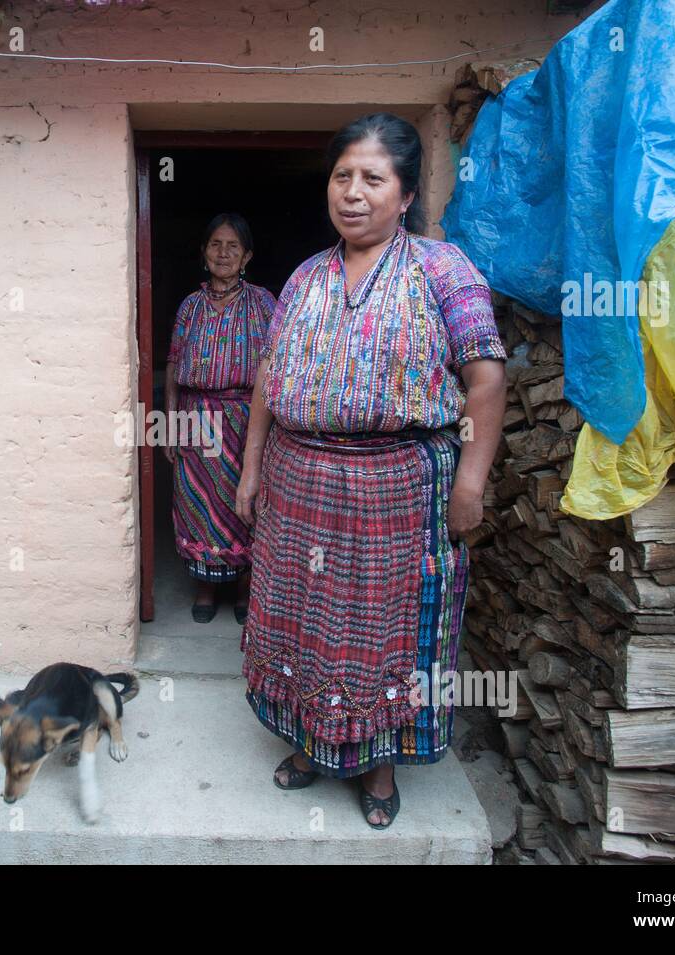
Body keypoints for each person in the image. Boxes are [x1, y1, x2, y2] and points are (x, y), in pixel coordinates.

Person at [236, 114, 508, 829]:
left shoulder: (441, 269)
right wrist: (251, 468)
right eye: (341, 176)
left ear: (407, 190)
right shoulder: (303, 277)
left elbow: (484, 378)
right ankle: (307, 743)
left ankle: (377, 763)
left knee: (379, 631)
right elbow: (269, 376)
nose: (352, 193)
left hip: (395, 490)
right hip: (298, 484)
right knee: (299, 624)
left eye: (372, 178)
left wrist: (471, 484)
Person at [165, 214, 277, 624]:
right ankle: (206, 588)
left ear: (247, 255)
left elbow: (278, 365)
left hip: (247, 420)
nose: (223, 253)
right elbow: (174, 366)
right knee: (198, 504)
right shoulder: (190, 307)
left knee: (244, 504)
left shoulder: (265, 302)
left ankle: (246, 589)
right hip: (196, 420)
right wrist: (172, 425)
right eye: (215, 244)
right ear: (203, 253)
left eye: (233, 246)